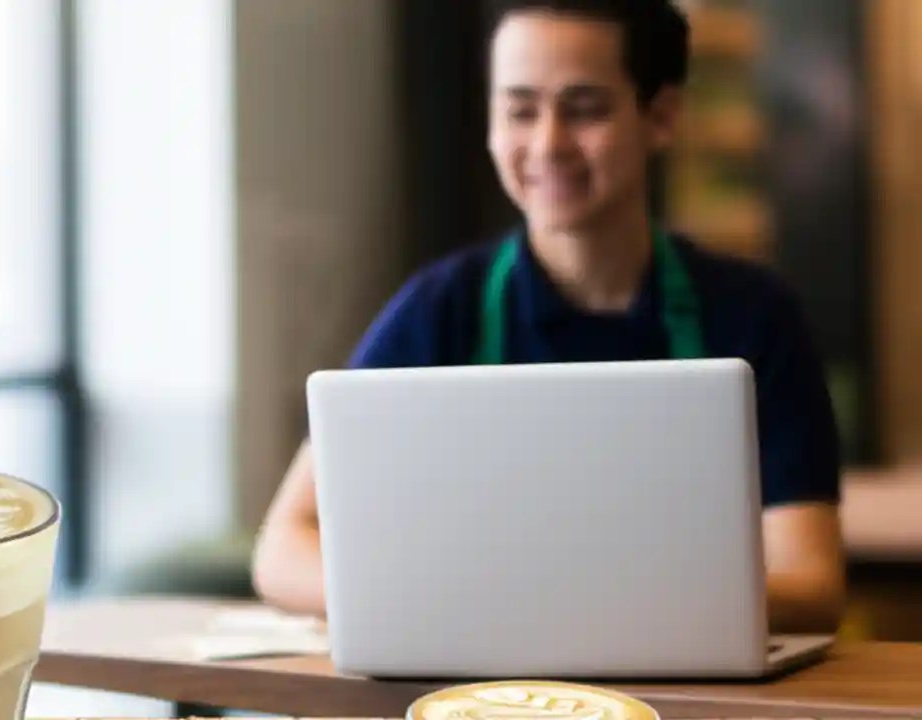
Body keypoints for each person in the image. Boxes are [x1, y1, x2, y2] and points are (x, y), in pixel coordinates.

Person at [251, 0, 846, 634]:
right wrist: (439, 602)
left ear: (663, 115)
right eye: (519, 109)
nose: (547, 144)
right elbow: (283, 547)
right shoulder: (440, 309)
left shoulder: (756, 317)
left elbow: (811, 584)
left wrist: (563, 604)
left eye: (585, 109)